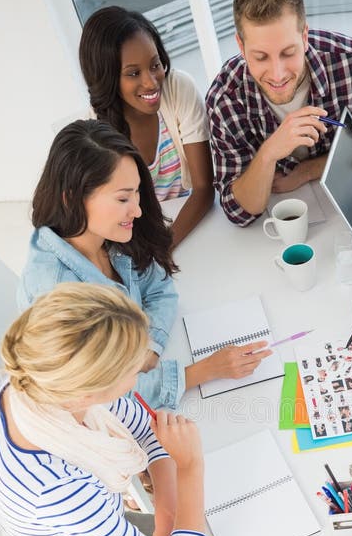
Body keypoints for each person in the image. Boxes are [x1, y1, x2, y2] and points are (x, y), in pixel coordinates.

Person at [0, 283, 206, 536]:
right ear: (89, 391)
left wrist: (168, 513)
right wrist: (190, 467)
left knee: (200, 522)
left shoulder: (28, 384)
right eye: (134, 369)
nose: (144, 369)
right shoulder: (64, 492)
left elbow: (144, 431)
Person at [19, 120, 271, 409]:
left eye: (136, 192)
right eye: (123, 198)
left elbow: (160, 287)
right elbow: (106, 400)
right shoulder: (57, 295)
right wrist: (204, 371)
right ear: (72, 198)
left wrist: (149, 349)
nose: (137, 210)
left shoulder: (106, 234)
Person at [206, 0, 352, 226]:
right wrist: (270, 152)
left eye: (288, 52)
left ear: (304, 37)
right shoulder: (225, 99)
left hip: (345, 213)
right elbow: (239, 212)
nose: (278, 73)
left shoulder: (350, 62)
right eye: (260, 57)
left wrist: (306, 171)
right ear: (241, 45)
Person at [79, 5, 214, 248]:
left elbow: (204, 188)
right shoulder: (96, 126)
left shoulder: (178, 88)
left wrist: (165, 247)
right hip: (138, 233)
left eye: (155, 65)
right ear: (108, 77)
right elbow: (109, 212)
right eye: (133, 73)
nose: (151, 82)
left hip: (190, 222)